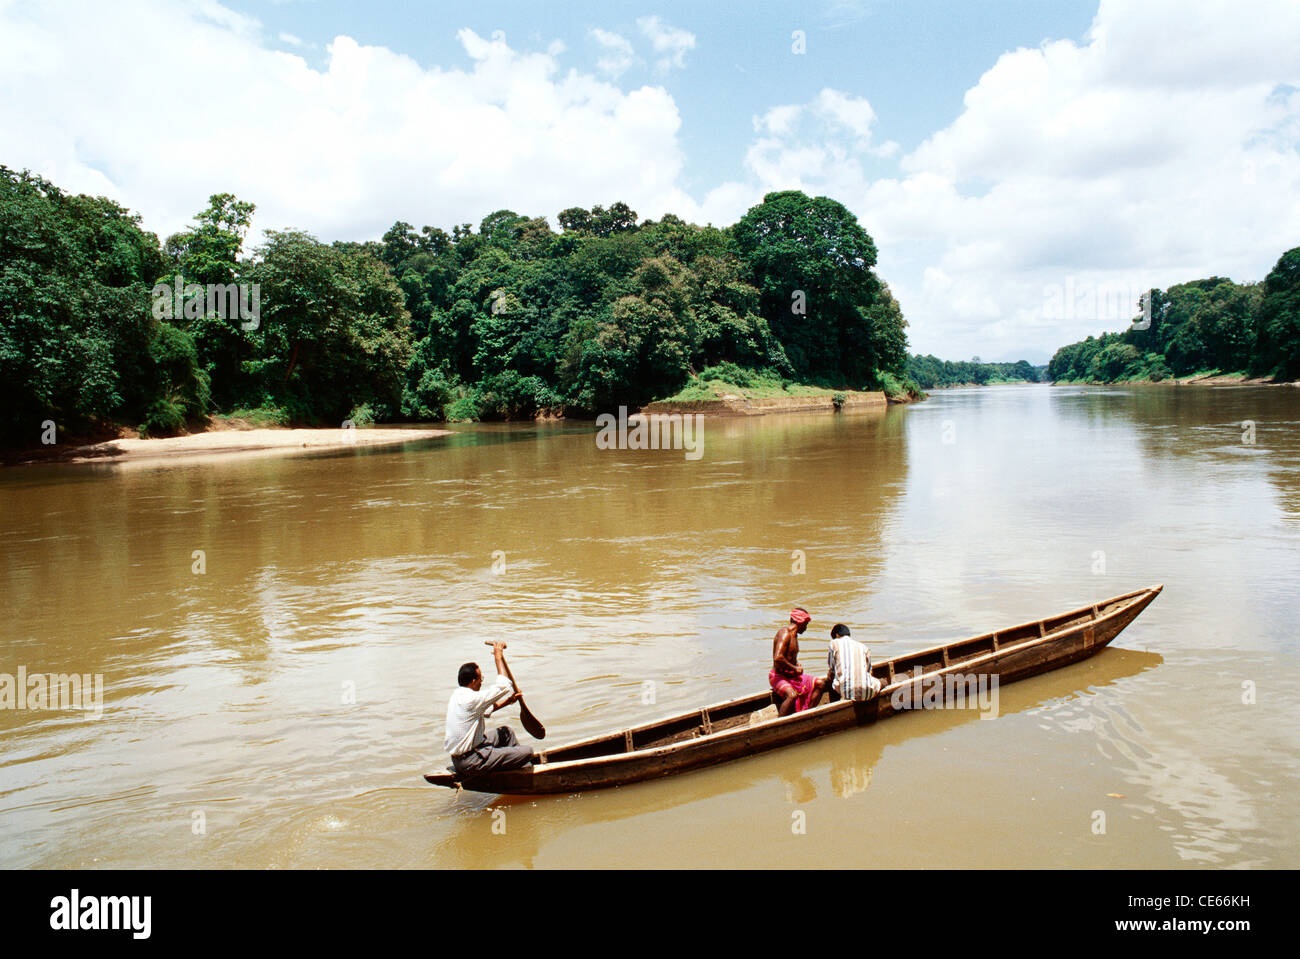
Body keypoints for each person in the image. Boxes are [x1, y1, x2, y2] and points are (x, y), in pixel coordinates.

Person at [444, 640, 536, 775]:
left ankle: (517, 766)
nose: (482, 682)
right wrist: (498, 657)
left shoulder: (457, 695)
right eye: (481, 679)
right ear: (474, 681)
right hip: (470, 761)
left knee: (506, 732)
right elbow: (503, 686)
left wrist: (509, 701)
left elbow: (488, 709)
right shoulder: (470, 699)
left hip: (465, 755)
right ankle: (520, 768)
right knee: (528, 752)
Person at [770, 607, 827, 716]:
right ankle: (780, 723)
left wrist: (795, 665)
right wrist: (795, 668)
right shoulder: (785, 633)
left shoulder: (794, 636)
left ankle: (806, 714)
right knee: (792, 696)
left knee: (821, 683)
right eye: (806, 624)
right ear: (800, 622)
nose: (806, 627)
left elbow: (787, 658)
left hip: (792, 676)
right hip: (778, 676)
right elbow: (778, 658)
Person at [824, 623, 882, 702]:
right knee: (883, 682)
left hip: (847, 694)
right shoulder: (863, 647)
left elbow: (832, 667)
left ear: (837, 635)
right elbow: (869, 671)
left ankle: (834, 704)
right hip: (868, 693)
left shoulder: (834, 643)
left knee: (831, 677)